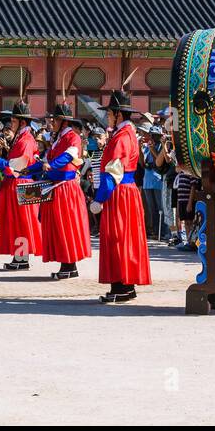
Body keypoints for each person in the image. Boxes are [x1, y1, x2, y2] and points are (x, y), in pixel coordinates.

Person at [90, 90, 152, 303]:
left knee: (118, 238)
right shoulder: (124, 135)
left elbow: (113, 171)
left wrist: (100, 198)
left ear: (118, 114)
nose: (107, 117)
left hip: (119, 193)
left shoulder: (122, 137)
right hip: (125, 192)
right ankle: (126, 286)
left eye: (109, 113)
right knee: (125, 238)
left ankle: (122, 286)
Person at [36, 102, 93, 279]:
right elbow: (46, 160)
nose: (52, 121)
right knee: (58, 227)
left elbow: (68, 156)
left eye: (56, 118)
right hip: (56, 186)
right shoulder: (58, 138)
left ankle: (69, 265)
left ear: (64, 121)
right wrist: (28, 169)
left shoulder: (72, 137)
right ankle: (68, 266)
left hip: (65, 188)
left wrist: (50, 165)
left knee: (65, 226)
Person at [0, 101, 44, 270]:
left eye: (13, 121)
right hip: (21, 183)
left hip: (23, 183)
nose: (10, 124)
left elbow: (16, 167)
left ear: (22, 122)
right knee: (18, 222)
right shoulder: (21, 138)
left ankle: (22, 258)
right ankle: (20, 256)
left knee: (22, 222)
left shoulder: (26, 139)